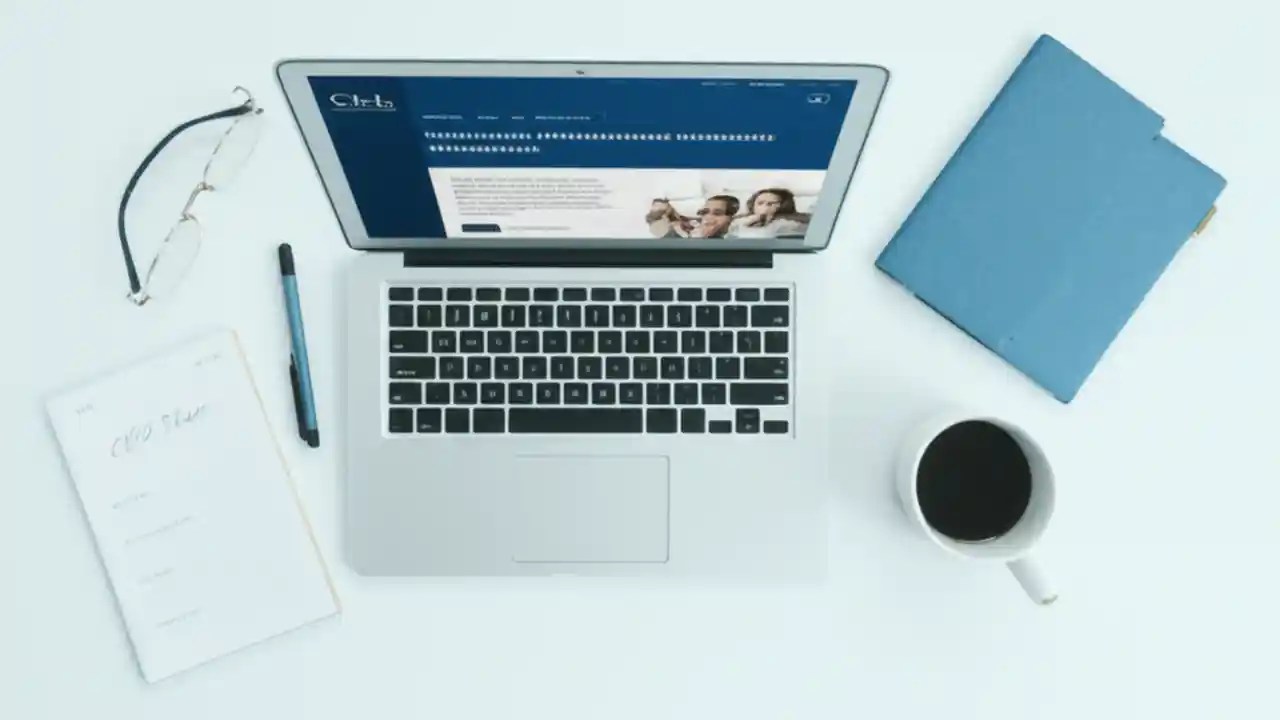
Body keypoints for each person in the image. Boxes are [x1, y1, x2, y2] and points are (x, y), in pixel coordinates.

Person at [727, 188, 810, 238]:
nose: (764, 207)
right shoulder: (738, 221)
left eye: (770, 204)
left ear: (783, 205)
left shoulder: (790, 224)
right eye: (760, 203)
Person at [645, 195, 740, 238]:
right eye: (704, 212)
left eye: (717, 213)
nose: (708, 218)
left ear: (731, 218)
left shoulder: (739, 235)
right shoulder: (681, 234)